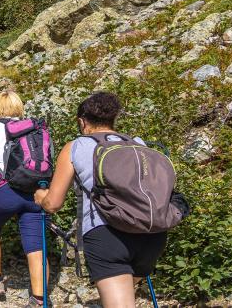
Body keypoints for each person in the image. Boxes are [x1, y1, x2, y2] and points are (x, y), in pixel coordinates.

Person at [34, 92, 170, 308]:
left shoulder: (76, 146)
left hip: (106, 235)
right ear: (113, 119)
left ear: (82, 121)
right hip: (152, 233)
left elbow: (53, 203)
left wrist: (40, 197)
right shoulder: (138, 143)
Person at [0, 91, 47, 307]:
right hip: (34, 192)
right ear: (18, 108)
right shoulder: (34, 128)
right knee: (36, 245)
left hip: (3, 191)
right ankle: (39, 299)